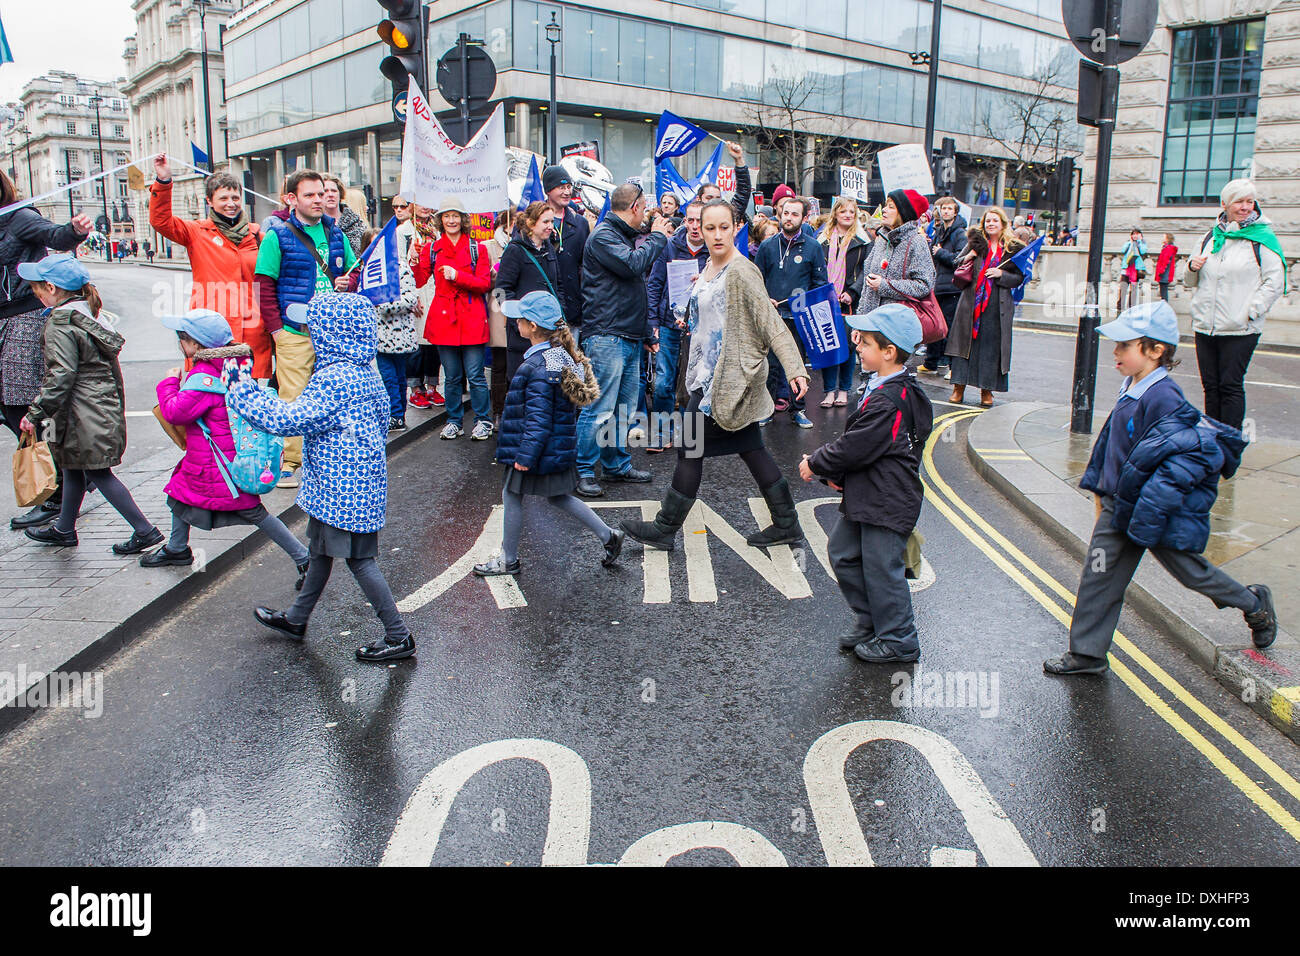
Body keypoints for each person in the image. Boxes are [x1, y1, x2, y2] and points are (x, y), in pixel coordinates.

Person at [1044, 301, 1276, 676]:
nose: (1115, 352)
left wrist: (1148, 515)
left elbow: (1183, 462)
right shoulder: (1132, 386)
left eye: (1124, 345)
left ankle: (1253, 603)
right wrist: (1101, 493)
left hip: (1154, 510)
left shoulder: (1165, 399)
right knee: (1099, 576)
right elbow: (1114, 448)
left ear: (1155, 351)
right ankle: (1087, 655)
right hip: (1121, 505)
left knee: (1191, 572)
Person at [232, 293, 416, 664]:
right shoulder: (365, 370)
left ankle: (398, 635)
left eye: (315, 328)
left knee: (359, 561)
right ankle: (297, 619)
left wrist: (244, 394)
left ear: (333, 333)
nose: (310, 334)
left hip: (343, 489)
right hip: (351, 484)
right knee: (320, 552)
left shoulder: (335, 378)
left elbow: (290, 419)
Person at [621, 200, 810, 551]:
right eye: (711, 228)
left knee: (688, 449)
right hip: (706, 377)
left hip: (725, 384)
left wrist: (795, 368)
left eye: (725, 227)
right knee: (752, 448)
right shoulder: (709, 266)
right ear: (700, 230)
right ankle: (787, 524)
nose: (717, 234)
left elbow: (771, 323)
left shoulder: (741, 270)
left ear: (737, 226)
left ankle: (665, 529)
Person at [799, 302, 934, 664]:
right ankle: (872, 621)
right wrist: (840, 478)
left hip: (887, 499)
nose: (857, 344)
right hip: (870, 493)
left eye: (866, 342)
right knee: (843, 553)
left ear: (889, 352)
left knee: (882, 569)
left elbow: (855, 447)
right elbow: (867, 448)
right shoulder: (884, 385)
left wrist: (815, 463)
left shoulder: (891, 399)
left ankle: (900, 640)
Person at [145, 308, 311, 581]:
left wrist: (169, 383)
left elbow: (175, 412)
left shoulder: (203, 379)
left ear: (195, 344)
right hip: (223, 457)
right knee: (179, 495)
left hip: (218, 466)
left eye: (181, 339)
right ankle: (176, 548)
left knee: (253, 511)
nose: (179, 343)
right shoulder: (235, 365)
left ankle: (303, 557)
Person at [18, 254, 164, 554]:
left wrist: (35, 414)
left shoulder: (61, 322)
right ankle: (64, 529)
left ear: (51, 287)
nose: (36, 294)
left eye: (37, 288)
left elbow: (61, 374)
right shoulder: (90, 315)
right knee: (73, 467)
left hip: (80, 411)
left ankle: (145, 531)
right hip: (94, 407)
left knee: (97, 472)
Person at [473, 290, 625, 576]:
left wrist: (525, 456)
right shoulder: (559, 358)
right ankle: (609, 536)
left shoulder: (536, 366)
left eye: (520, 318)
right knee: (557, 496)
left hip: (535, 448)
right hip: (555, 446)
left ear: (531, 327)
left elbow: (538, 417)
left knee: (512, 493)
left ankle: (508, 560)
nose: (514, 321)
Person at [0, 170, 91, 530]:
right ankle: (69, 478)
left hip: (24, 318)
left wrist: (76, 230)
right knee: (11, 409)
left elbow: (55, 235)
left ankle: (60, 489)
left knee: (23, 406)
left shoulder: (19, 217)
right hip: (4, 322)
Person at [254, 169, 355, 489]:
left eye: (321, 193)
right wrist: (276, 331)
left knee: (335, 396)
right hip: (294, 332)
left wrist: (346, 282)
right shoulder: (277, 236)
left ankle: (330, 456)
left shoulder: (336, 234)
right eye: (309, 194)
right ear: (291, 199)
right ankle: (292, 461)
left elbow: (352, 272)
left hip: (331, 332)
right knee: (295, 398)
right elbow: (263, 285)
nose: (318, 199)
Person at [574, 182, 672, 498]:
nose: (646, 214)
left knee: (624, 410)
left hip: (627, 335)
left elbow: (633, 289)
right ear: (633, 207)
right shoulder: (603, 235)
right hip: (606, 336)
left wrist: (644, 333)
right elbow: (634, 265)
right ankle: (584, 470)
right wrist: (658, 235)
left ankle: (615, 465)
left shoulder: (619, 237)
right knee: (599, 407)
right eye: (644, 208)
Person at [150, 155, 271, 380]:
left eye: (235, 197)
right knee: (212, 397)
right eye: (223, 198)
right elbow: (161, 221)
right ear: (209, 201)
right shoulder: (197, 232)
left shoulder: (258, 237)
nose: (231, 203)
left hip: (253, 332)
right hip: (210, 332)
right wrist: (163, 182)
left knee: (252, 400)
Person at [1185, 179, 1288, 432]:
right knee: (1210, 386)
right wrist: (1191, 267)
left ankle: (1229, 444)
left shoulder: (1261, 238)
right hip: (1205, 326)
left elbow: (1275, 282)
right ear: (1224, 204)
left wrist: (1251, 312)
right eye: (1239, 201)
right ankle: (1212, 440)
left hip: (1240, 328)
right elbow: (1190, 280)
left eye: (1249, 201)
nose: (1245, 207)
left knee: (1230, 385)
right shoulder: (1210, 237)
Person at [413, 195, 494, 441]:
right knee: (451, 376)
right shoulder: (431, 248)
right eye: (446, 216)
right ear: (440, 220)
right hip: (444, 319)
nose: (451, 220)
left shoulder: (477, 248)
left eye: (455, 216)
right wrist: (415, 261)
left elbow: (484, 284)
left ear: (462, 219)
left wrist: (457, 276)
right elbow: (419, 280)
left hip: (471, 318)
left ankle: (483, 420)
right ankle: (454, 420)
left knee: (476, 375)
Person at [754, 196, 826, 428]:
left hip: (799, 318)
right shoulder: (767, 246)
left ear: (804, 218)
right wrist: (766, 299)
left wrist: (806, 300)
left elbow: (820, 283)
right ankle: (766, 409)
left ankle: (798, 410)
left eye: (795, 214)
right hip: (772, 318)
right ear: (779, 214)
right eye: (786, 213)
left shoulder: (813, 247)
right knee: (770, 366)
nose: (789, 218)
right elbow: (756, 280)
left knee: (796, 365)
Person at [645, 199, 708, 452]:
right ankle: (661, 434)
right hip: (669, 324)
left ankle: (690, 436)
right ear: (684, 221)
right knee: (663, 383)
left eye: (699, 221)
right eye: (690, 220)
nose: (694, 226)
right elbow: (654, 285)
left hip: (700, 327)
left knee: (694, 383)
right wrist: (652, 322)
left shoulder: (715, 251)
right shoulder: (669, 247)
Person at [947, 206, 1023, 408]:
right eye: (988, 221)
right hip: (971, 302)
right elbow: (957, 263)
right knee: (964, 345)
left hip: (997, 305)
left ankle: (986, 391)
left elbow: (1019, 278)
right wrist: (969, 256)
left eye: (995, 221)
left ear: (1003, 224)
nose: (991, 224)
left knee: (990, 348)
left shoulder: (1012, 248)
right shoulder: (976, 243)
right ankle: (958, 388)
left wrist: (1002, 275)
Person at [495, 201, 565, 396]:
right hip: (523, 333)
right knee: (523, 386)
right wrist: (517, 316)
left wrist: (560, 312)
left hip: (549, 332)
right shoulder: (515, 250)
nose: (551, 226)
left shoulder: (550, 248)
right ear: (531, 224)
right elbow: (501, 290)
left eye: (552, 221)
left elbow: (557, 285)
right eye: (545, 221)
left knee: (547, 385)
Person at [360, 226, 419, 431]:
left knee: (399, 376)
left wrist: (385, 304)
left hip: (399, 333)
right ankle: (395, 413)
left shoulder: (400, 267)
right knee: (387, 376)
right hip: (377, 334)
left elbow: (411, 297)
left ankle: (398, 414)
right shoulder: (365, 270)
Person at [818, 196, 868, 407]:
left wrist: (852, 292)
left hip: (849, 302)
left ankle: (844, 391)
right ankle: (829, 391)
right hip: (825, 300)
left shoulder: (862, 242)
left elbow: (866, 271)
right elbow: (817, 269)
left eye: (851, 212)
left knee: (848, 348)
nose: (847, 215)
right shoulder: (822, 241)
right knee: (828, 347)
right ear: (835, 214)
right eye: (843, 211)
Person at [921, 195, 968, 375]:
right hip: (938, 285)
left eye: (949, 208)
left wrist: (940, 252)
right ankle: (931, 362)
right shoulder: (940, 231)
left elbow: (959, 259)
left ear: (955, 212)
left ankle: (950, 366)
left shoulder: (959, 233)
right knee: (934, 325)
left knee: (949, 328)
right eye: (943, 208)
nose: (946, 211)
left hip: (952, 287)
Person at [542, 165, 590, 332]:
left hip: (572, 308)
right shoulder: (533, 220)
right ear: (548, 190)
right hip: (543, 307)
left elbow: (585, 266)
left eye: (569, 187)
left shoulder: (580, 223)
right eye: (561, 187)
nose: (567, 192)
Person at [405, 204, 444, 410]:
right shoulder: (403, 231)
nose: (426, 207)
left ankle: (432, 385)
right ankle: (415, 388)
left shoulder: (437, 231)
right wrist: (411, 296)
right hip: (415, 292)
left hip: (435, 291)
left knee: (434, 344)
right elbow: (400, 263)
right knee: (416, 345)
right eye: (421, 202)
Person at [484, 208, 514, 425]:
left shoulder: (523, 245)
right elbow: (485, 280)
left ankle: (514, 409)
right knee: (500, 364)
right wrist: (499, 272)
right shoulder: (489, 247)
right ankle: (498, 410)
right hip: (497, 308)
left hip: (517, 309)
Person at [694, 141, 752, 222]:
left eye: (718, 198)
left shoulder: (727, 217)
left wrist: (739, 159)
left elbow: (743, 192)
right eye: (709, 198)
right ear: (698, 199)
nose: (714, 201)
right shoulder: (685, 228)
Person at [322, 172, 366, 257]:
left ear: (340, 194)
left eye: (334, 191)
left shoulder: (357, 225)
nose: (330, 194)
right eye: (325, 191)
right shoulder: (314, 225)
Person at [1116, 228, 1148, 310]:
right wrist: (1130, 242)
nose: (1135, 236)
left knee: (1133, 289)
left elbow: (1143, 251)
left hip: (1136, 269)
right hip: (1126, 268)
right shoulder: (1128, 243)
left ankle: (1131, 306)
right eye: (1133, 234)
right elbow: (1123, 250)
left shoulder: (1142, 243)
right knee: (1123, 287)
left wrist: (1140, 241)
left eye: (1137, 234)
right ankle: (1120, 306)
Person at [1155, 233, 1177, 301]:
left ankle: (1164, 307)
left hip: (1164, 274)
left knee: (1163, 292)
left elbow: (1165, 261)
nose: (1163, 239)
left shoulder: (1168, 248)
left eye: (1164, 237)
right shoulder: (1167, 247)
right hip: (1165, 273)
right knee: (1163, 291)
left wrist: (1161, 271)